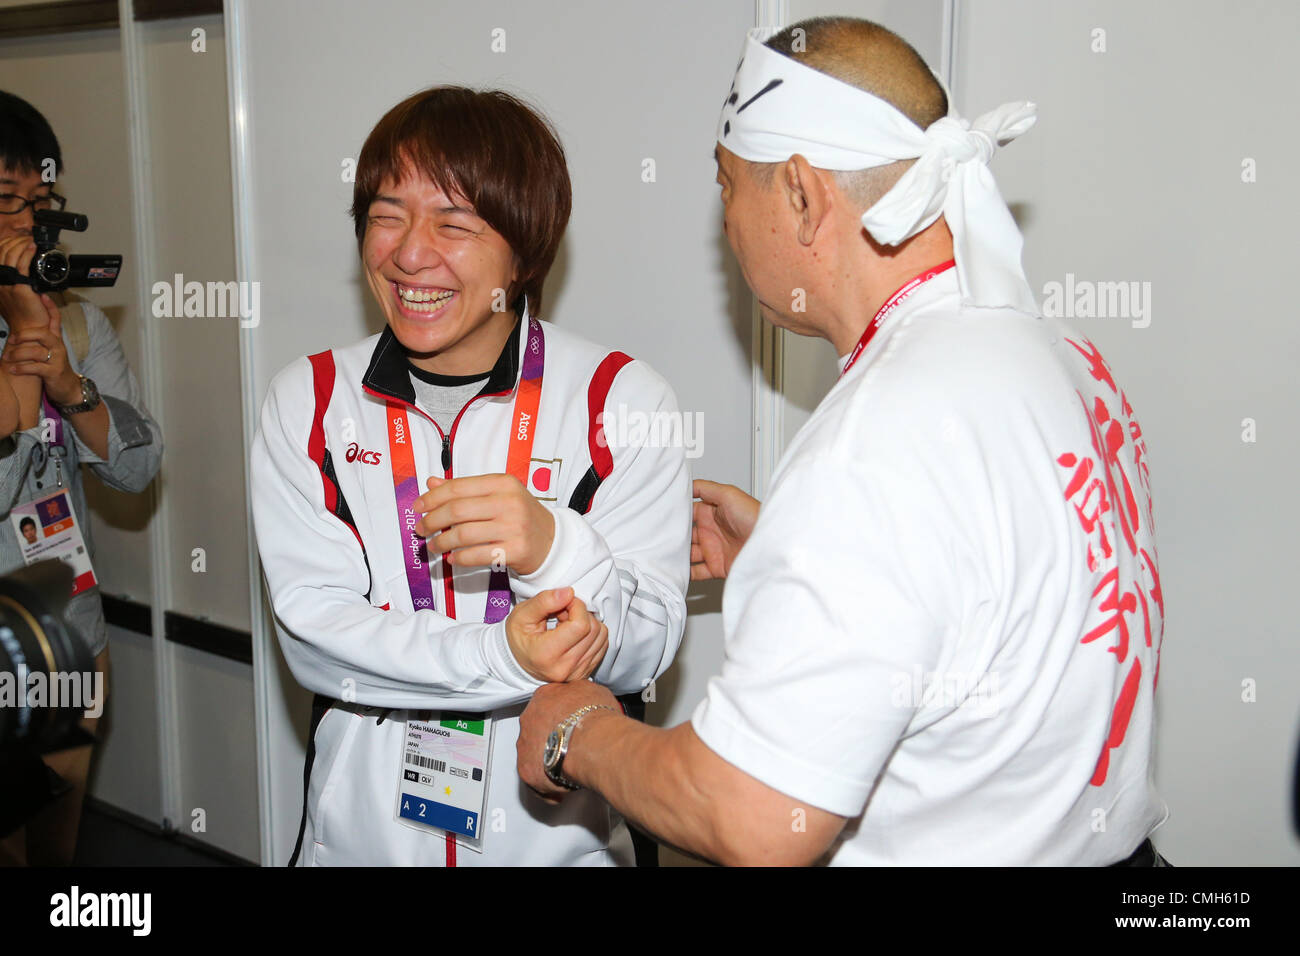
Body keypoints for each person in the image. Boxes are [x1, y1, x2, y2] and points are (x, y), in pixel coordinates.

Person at [516, 17, 1169, 866]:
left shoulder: (877, 442)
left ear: (801, 194)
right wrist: (790, 554)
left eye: (726, 183)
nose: (724, 220)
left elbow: (752, 816)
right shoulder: (1059, 353)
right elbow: (1009, 600)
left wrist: (579, 732)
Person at [251, 86, 691, 866]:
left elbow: (640, 655)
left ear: (525, 253)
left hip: (560, 843)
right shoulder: (310, 400)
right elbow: (316, 641)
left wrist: (554, 548)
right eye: (387, 215)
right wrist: (504, 658)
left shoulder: (620, 400)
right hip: (362, 842)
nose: (409, 254)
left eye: (453, 223)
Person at [0, 90, 163, 866]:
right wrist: (20, 353)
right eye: (7, 198)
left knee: (54, 851)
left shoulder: (78, 323)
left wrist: (71, 387)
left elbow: (138, 467)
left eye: (41, 200)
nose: (29, 222)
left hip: (68, 633)